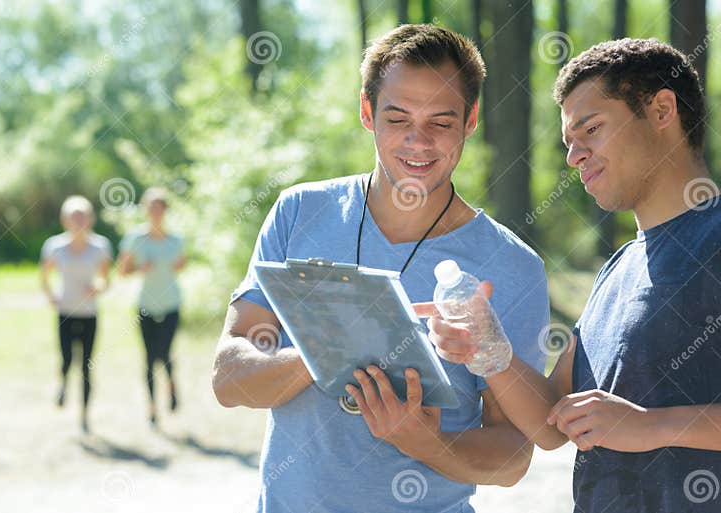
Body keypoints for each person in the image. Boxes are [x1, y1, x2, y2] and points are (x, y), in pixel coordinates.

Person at [212, 24, 550, 513]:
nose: (419, 141)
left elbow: (513, 455)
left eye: (441, 121)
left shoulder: (512, 266)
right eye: (398, 118)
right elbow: (229, 378)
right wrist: (327, 346)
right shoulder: (299, 212)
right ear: (367, 112)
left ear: (470, 120)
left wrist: (427, 444)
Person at [417, 38, 721, 512]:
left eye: (592, 129)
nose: (574, 156)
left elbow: (632, 425)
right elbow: (553, 422)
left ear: (662, 110)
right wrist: (489, 350)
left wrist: (651, 426)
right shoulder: (618, 269)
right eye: (569, 143)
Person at [40, 195, 111, 433]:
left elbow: (105, 279)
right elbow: (45, 274)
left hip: (89, 313)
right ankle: (62, 384)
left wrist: (98, 288)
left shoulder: (100, 246)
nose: (78, 221)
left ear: (90, 219)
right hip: (65, 312)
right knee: (67, 359)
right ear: (65, 220)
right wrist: (51, 295)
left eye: (82, 216)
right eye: (73, 216)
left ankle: (85, 414)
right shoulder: (54, 246)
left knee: (86, 365)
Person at [117, 187, 186, 426]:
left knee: (165, 353)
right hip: (145, 304)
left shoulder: (176, 240)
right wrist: (139, 268)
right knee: (148, 357)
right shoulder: (135, 239)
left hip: (171, 304)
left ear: (165, 211)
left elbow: (180, 266)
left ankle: (171, 386)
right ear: (145, 210)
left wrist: (178, 266)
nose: (155, 212)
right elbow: (122, 271)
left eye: (160, 208)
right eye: (151, 208)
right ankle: (152, 406)